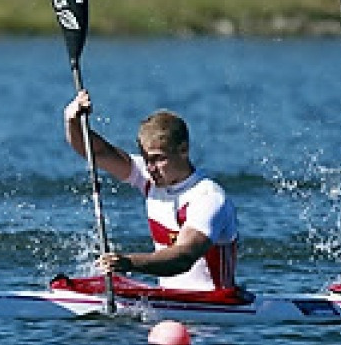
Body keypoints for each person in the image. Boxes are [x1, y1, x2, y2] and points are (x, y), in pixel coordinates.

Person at [63, 89, 240, 291]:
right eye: (146, 159)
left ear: (183, 150)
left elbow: (184, 257)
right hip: (170, 302)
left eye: (158, 158)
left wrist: (128, 263)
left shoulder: (208, 197)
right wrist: (72, 119)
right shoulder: (150, 179)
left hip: (215, 305)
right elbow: (96, 152)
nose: (149, 168)